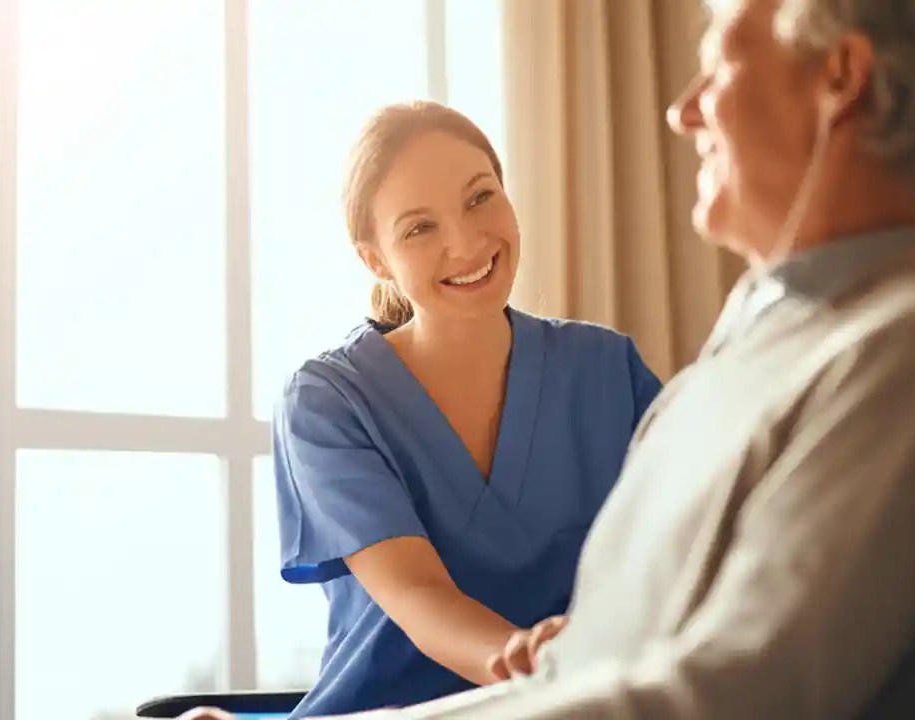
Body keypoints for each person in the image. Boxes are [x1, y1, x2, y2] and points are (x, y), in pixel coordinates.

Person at [181, 0, 915, 717]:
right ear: (376, 257)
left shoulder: (905, 349)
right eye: (419, 227)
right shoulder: (755, 345)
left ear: (841, 78)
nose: (681, 108)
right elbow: (584, 674)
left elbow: (732, 687)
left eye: (723, 63)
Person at [267, 101, 662, 717]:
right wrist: (544, 669)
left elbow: (689, 544)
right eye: (419, 228)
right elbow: (420, 596)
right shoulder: (328, 401)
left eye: (480, 198)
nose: (466, 241)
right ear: (376, 259)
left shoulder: (608, 370)